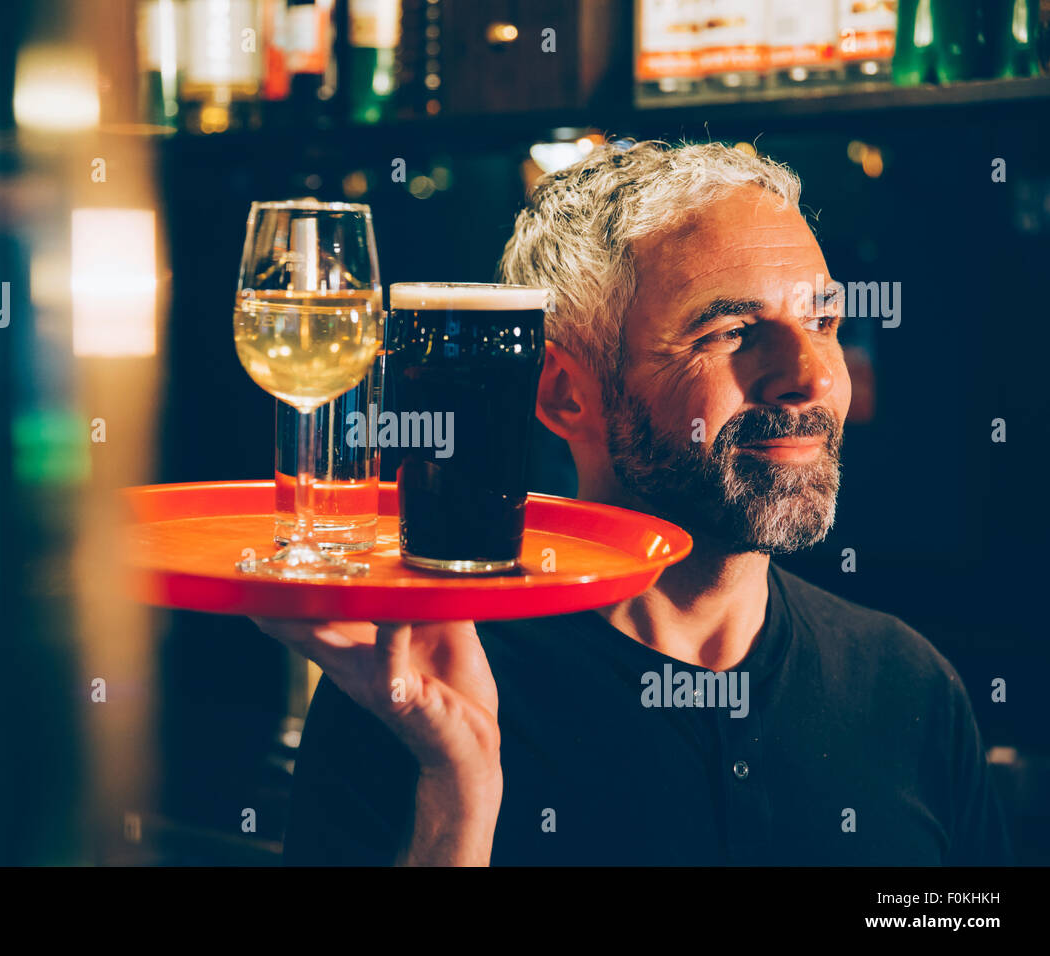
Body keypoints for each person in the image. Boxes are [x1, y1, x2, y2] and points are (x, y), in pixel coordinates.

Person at [254, 140, 1014, 866]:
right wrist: (461, 790)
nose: (812, 377)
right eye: (731, 332)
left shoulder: (909, 689)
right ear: (563, 394)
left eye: (822, 322)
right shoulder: (420, 693)